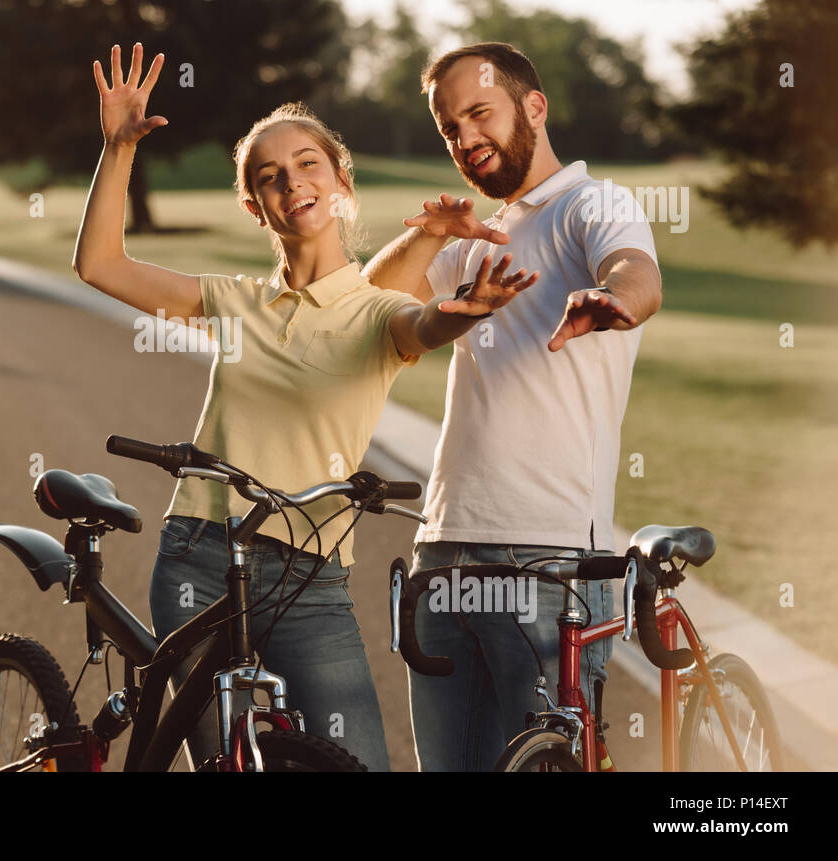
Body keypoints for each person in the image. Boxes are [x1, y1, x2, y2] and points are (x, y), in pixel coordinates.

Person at [72, 43, 537, 771]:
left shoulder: (378, 311)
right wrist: (117, 147)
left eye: (308, 165)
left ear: (341, 180)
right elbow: (100, 264)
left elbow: (423, 325)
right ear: (255, 207)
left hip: (310, 575)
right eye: (270, 176)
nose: (293, 183)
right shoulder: (233, 302)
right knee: (217, 760)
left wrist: (463, 312)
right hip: (200, 552)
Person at [362, 41, 664, 771]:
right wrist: (430, 231)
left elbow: (636, 271)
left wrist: (612, 300)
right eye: (448, 129)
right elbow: (366, 309)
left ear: (533, 106)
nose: (464, 138)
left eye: (477, 113)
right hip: (444, 549)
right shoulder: (476, 241)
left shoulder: (593, 203)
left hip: (549, 555)